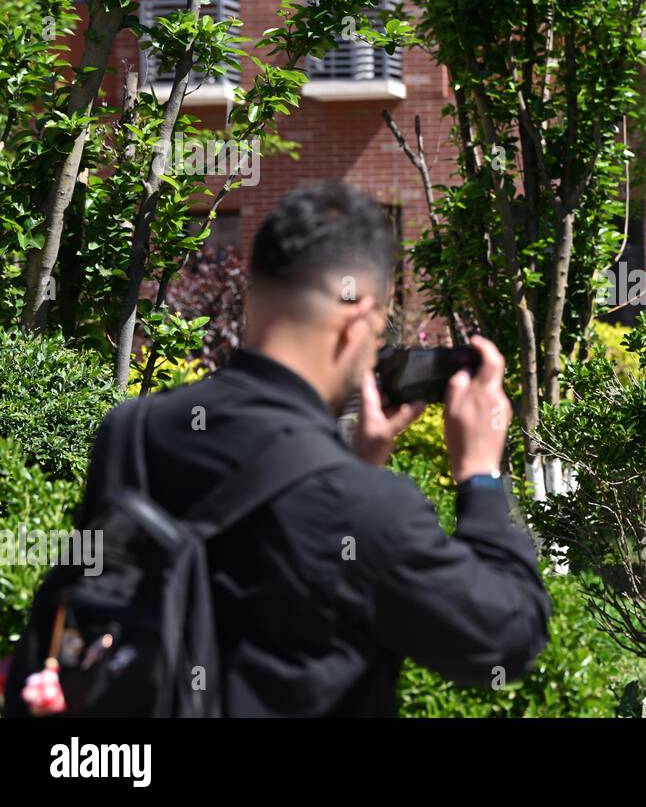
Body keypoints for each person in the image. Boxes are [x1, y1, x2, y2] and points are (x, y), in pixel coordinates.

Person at [10, 183, 550, 716]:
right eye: (380, 327)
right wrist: (479, 473)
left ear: (255, 295)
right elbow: (508, 634)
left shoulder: (132, 432)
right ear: (356, 318)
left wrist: (350, 464)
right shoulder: (366, 508)